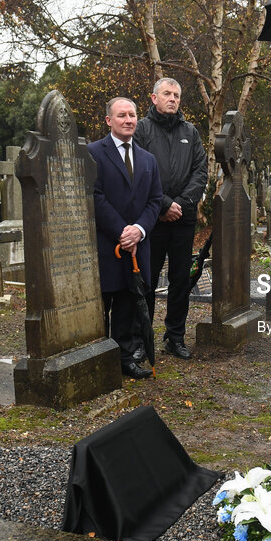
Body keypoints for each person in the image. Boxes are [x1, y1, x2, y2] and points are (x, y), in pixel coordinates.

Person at [133, 78, 208, 361]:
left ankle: (174, 337)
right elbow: (139, 171)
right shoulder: (141, 130)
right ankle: (142, 340)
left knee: (180, 281)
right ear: (154, 98)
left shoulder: (191, 131)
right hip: (152, 219)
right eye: (167, 94)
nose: (172, 99)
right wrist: (164, 204)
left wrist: (180, 204)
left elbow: (200, 171)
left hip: (183, 220)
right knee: (147, 282)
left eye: (176, 95)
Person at [89, 97, 163, 379]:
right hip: (107, 245)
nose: (129, 120)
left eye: (132, 115)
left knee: (126, 304)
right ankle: (97, 361)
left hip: (136, 247)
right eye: (122, 115)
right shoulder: (93, 153)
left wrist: (139, 230)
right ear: (109, 120)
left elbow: (155, 200)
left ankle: (125, 359)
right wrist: (122, 231)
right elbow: (95, 196)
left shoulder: (148, 159)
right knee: (100, 306)